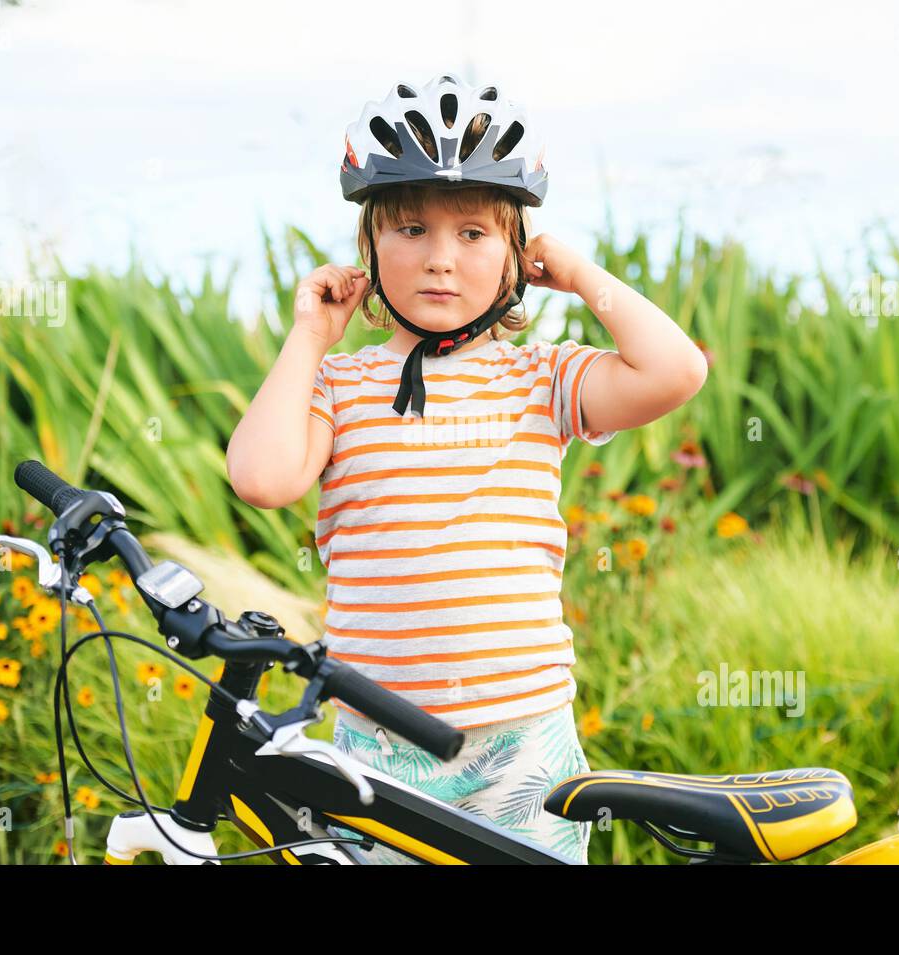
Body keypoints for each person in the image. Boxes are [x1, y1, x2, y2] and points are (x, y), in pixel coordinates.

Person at [226, 72, 709, 864]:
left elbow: (676, 371)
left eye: (474, 235)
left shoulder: (541, 377)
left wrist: (584, 277)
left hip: (523, 740)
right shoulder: (341, 384)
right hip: (379, 739)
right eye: (410, 230)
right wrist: (309, 335)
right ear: (369, 249)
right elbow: (262, 477)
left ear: (517, 255)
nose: (440, 259)